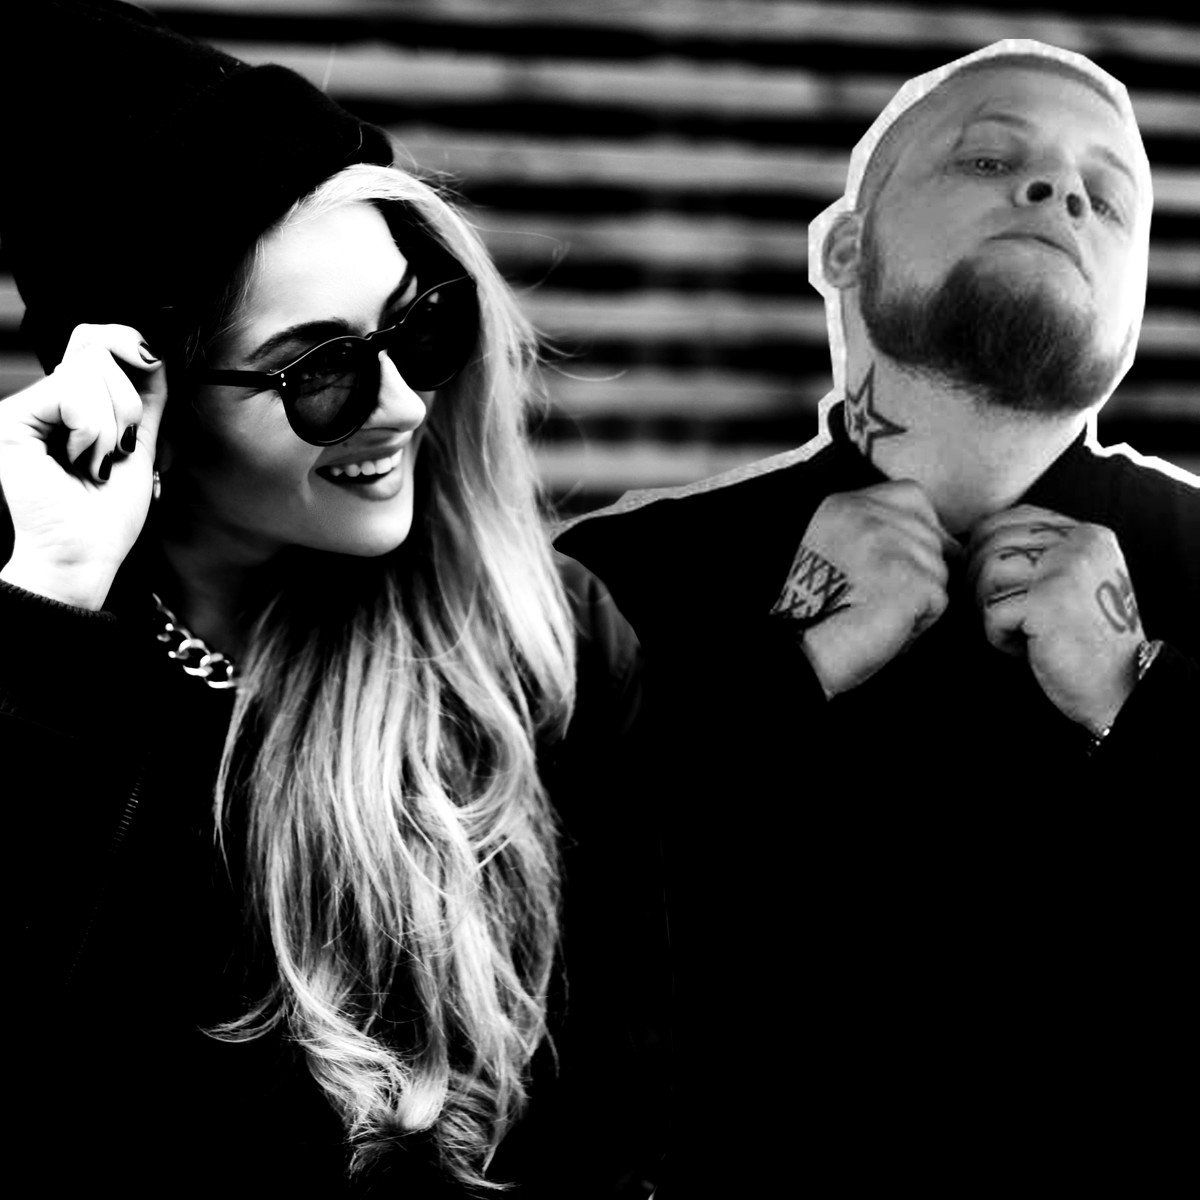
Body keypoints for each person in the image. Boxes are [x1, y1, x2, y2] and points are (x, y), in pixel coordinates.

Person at [1, 3, 667, 1196]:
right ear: (148, 399)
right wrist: (54, 613)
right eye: (321, 372)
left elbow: (628, 1119)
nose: (403, 403)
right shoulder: (30, 663)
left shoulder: (545, 645)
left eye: (421, 322)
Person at [556, 41, 1198, 1192]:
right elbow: (518, 972)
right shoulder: (618, 583)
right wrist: (780, 670)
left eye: (1107, 199)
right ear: (843, 247)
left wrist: (1140, 701)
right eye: (990, 158)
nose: (1058, 192)